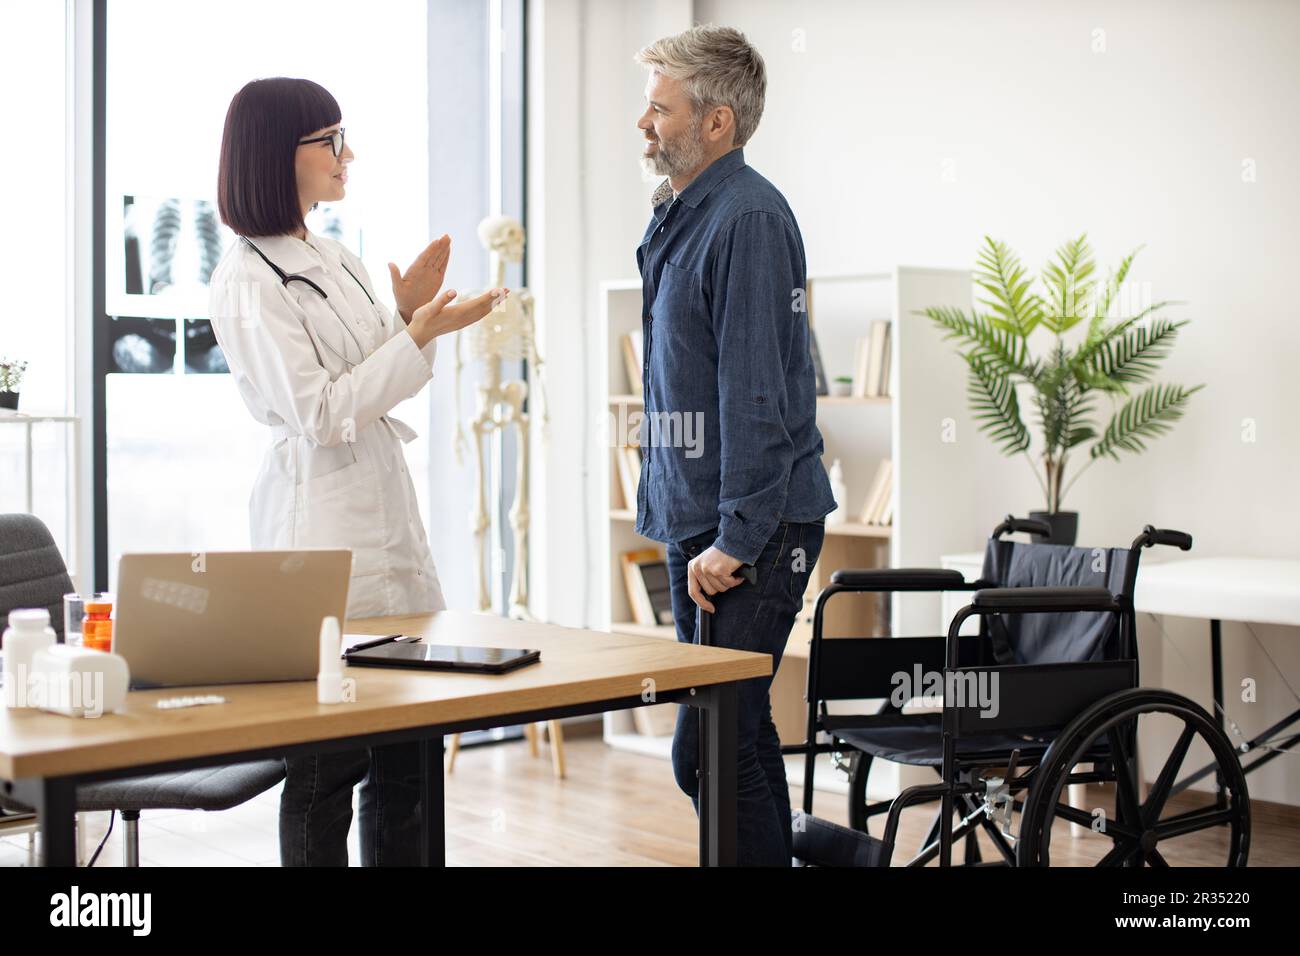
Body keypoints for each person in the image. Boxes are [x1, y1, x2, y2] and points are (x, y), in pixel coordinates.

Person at [208, 76, 507, 865]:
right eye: (331, 141)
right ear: (281, 155)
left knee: (409, 749)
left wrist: (409, 315)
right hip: (320, 530)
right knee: (328, 761)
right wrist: (413, 336)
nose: (349, 155)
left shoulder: (331, 255)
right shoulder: (247, 283)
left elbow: (381, 371)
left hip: (383, 522)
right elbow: (323, 412)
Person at [633, 26, 836, 866]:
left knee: (708, 749)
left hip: (753, 530)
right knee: (741, 739)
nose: (643, 123)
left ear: (716, 122)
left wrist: (734, 540)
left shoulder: (747, 219)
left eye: (658, 107)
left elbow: (755, 396)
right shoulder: (687, 212)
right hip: (703, 524)